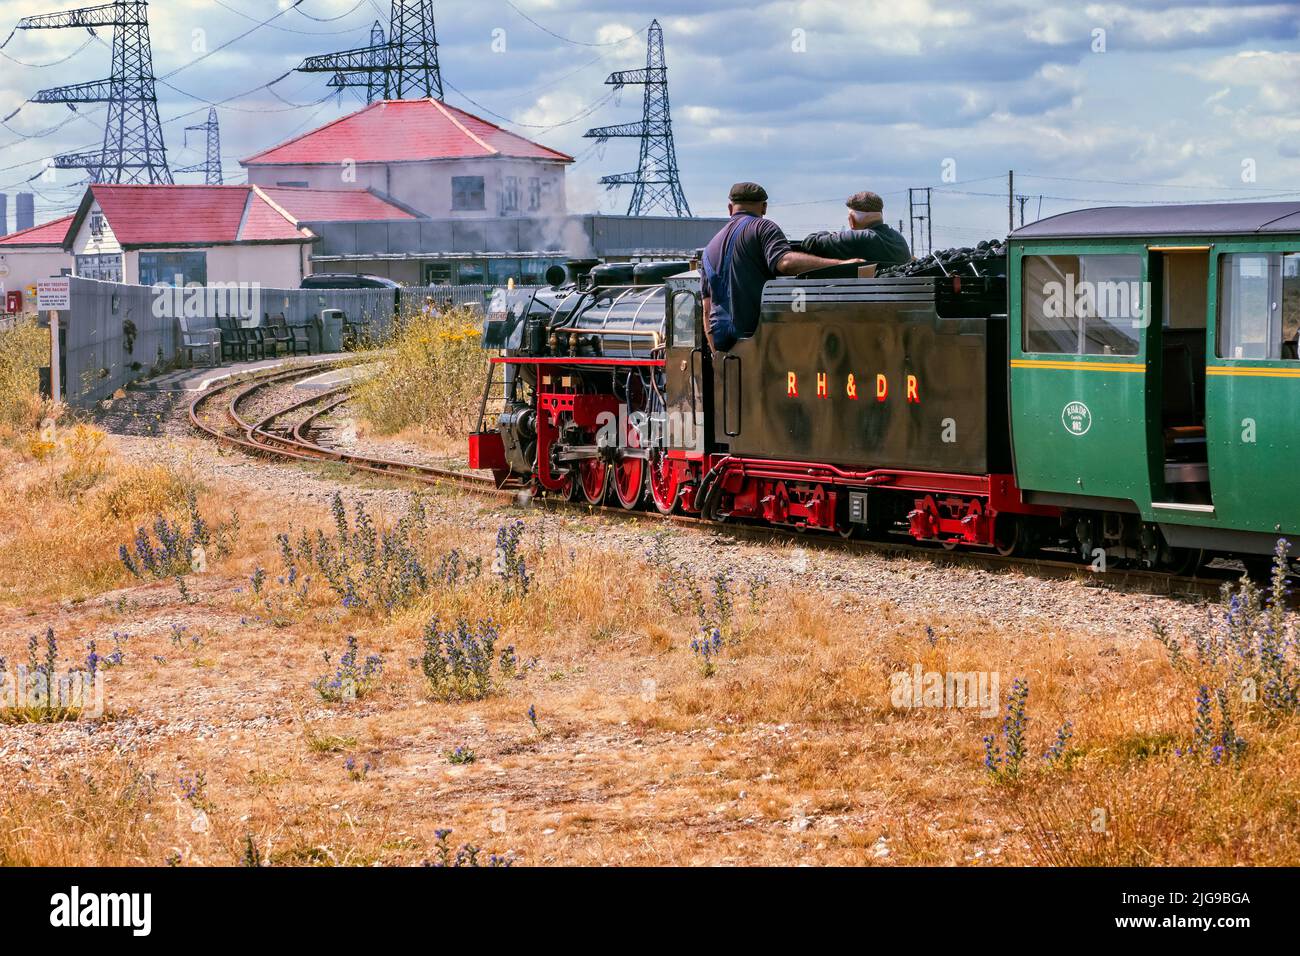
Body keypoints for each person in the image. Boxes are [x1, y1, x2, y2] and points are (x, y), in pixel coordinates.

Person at [702, 182, 859, 351]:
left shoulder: (709, 248)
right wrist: (842, 264)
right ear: (764, 207)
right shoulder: (763, 227)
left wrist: (716, 355)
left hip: (724, 344)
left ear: (729, 207)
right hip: (757, 338)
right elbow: (785, 262)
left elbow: (706, 309)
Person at [800, 191, 911, 267]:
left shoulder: (860, 238)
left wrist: (831, 234)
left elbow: (809, 243)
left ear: (851, 220)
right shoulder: (898, 239)